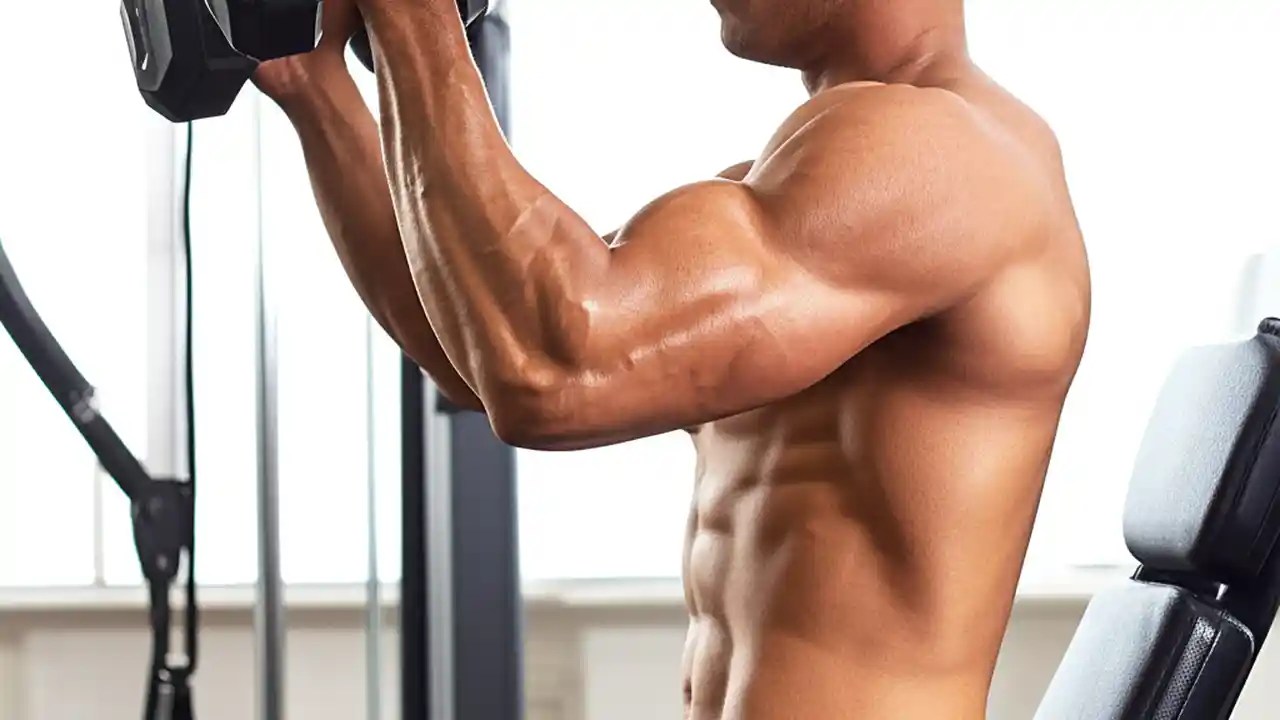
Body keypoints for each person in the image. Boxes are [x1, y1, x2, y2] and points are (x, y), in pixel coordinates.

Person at [254, 0, 1090, 715]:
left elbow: (558, 370)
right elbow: (479, 348)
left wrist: (412, 16)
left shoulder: (942, 158)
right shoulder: (815, 180)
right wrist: (314, 87)